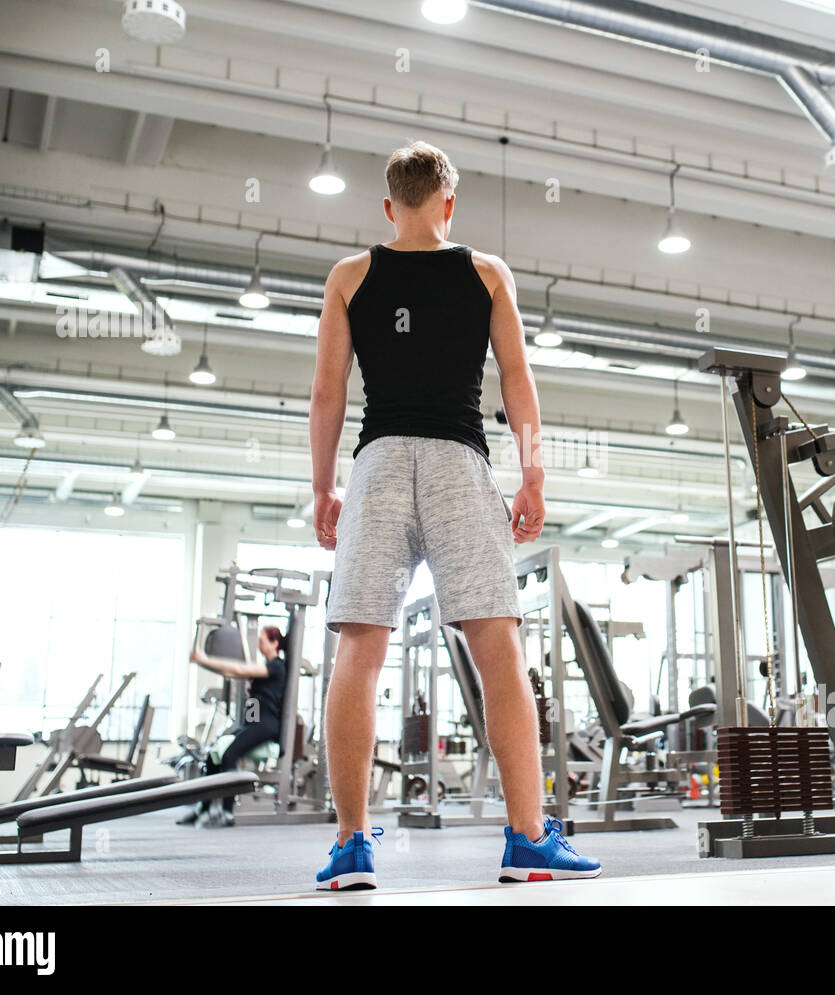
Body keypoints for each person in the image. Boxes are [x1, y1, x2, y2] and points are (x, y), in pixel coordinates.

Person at [309, 141, 600, 890]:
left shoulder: (349, 276)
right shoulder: (486, 272)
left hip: (376, 464)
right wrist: (534, 474)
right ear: (449, 203)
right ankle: (529, 840)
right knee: (498, 649)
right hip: (457, 462)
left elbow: (327, 396)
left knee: (360, 651)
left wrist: (322, 489)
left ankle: (350, 847)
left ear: (387, 207)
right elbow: (517, 382)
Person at [184, 625, 288, 827]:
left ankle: (226, 812)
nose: (259, 644)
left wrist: (203, 659)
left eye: (262, 640)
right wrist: (201, 662)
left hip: (266, 725)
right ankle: (203, 809)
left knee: (229, 755)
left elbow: (239, 669)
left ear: (275, 643)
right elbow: (230, 672)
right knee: (213, 756)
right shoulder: (263, 667)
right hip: (253, 722)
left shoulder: (276, 666)